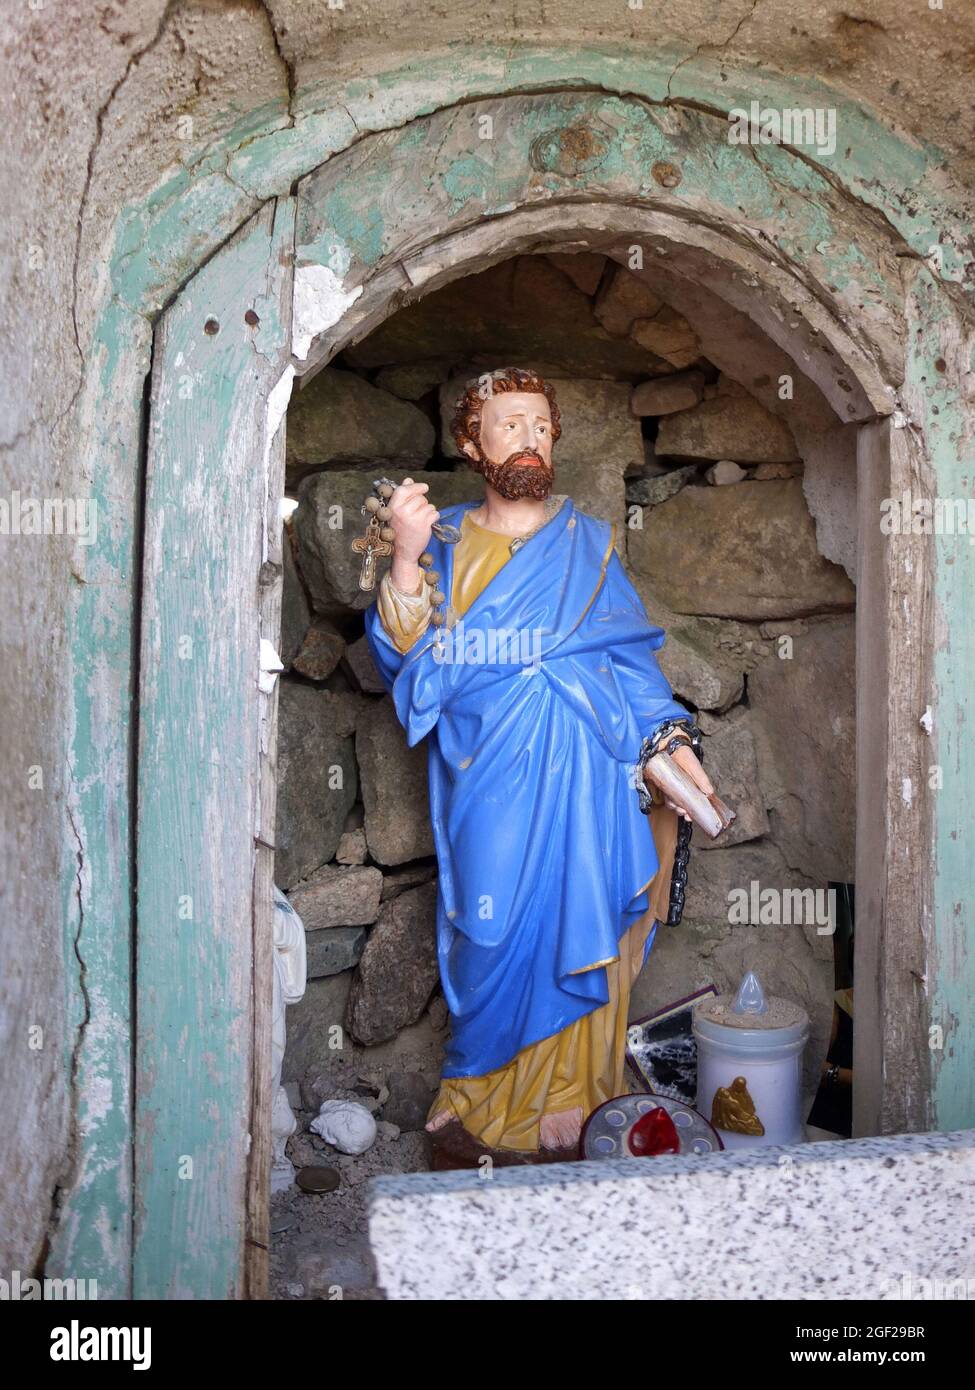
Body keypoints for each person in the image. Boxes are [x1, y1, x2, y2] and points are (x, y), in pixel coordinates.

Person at [365, 367, 718, 1157]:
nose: (527, 438)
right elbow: (407, 661)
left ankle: (575, 1091)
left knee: (581, 908)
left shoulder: (586, 546)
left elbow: (628, 664)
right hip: (487, 769)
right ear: (470, 442)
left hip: (587, 771)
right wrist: (405, 560)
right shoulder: (446, 541)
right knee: (487, 929)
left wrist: (668, 735)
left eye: (539, 425)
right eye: (508, 423)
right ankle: (477, 1086)